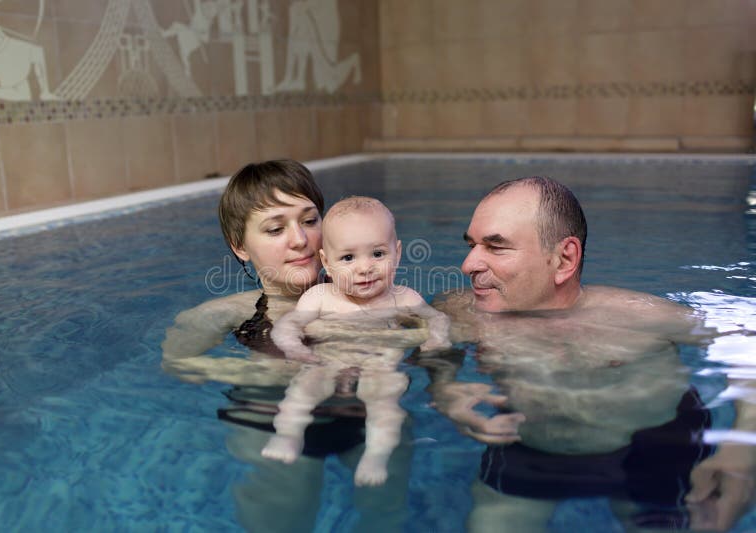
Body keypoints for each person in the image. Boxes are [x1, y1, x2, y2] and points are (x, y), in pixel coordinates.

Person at [426, 176, 756, 531]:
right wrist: (443, 388)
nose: (468, 264)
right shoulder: (462, 312)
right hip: (532, 442)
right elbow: (433, 347)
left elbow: (747, 343)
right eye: (472, 245)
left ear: (564, 259)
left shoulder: (637, 317)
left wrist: (741, 447)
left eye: (496, 247)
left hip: (654, 446)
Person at [161, 160, 428, 532]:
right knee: (285, 513)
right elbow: (176, 361)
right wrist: (255, 371)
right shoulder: (228, 312)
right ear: (240, 246)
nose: (300, 239)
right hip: (269, 421)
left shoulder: (390, 301)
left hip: (370, 417)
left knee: (386, 515)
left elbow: (439, 347)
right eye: (275, 228)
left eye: (309, 220)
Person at [262, 197, 451, 486]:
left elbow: (437, 318)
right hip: (326, 361)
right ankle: (288, 435)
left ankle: (376, 454)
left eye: (377, 254)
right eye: (348, 258)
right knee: (300, 393)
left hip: (381, 365)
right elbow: (288, 325)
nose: (365, 268)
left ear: (397, 254)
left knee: (385, 403)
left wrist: (434, 341)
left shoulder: (405, 298)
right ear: (327, 262)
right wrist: (294, 348)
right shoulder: (319, 297)